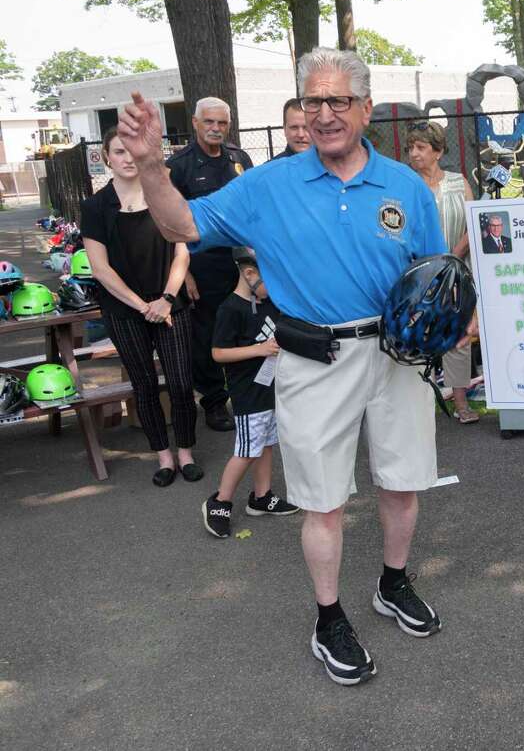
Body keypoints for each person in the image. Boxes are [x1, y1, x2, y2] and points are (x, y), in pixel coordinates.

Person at [119, 47, 461, 687]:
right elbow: (182, 223)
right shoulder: (267, 186)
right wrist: (150, 167)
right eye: (313, 101)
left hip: (394, 358)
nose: (324, 114)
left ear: (364, 108)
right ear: (300, 111)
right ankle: (329, 617)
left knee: (402, 481)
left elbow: (433, 275)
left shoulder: (405, 187)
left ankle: (392, 583)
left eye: (338, 101)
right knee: (323, 502)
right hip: (313, 357)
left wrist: (447, 328)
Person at [81, 128, 200, 488]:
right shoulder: (96, 207)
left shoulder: (165, 197)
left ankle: (186, 452)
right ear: (107, 157)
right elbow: (100, 269)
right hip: (124, 311)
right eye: (119, 151)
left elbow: (182, 251)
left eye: (132, 150)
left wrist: (164, 300)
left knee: (180, 383)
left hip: (170, 303)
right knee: (144, 385)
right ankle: (163, 456)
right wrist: (141, 306)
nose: (128, 157)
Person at [166, 96, 254, 433]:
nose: (216, 128)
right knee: (208, 333)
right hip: (202, 264)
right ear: (195, 122)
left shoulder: (239, 159)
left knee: (245, 325)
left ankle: (247, 393)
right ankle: (214, 402)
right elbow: (168, 224)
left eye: (222, 122)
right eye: (209, 122)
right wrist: (184, 271)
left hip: (241, 259)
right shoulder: (179, 166)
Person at [203, 247, 299, 538]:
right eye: (273, 280)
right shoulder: (230, 309)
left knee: (266, 443)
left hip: (269, 389)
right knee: (247, 450)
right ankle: (220, 502)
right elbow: (218, 353)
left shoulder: (269, 303)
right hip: (247, 393)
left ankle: (262, 496)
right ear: (249, 274)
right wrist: (258, 349)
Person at [404, 120, 478, 423]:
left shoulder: (459, 182)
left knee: (457, 335)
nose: (414, 154)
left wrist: (454, 256)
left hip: (457, 270)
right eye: (410, 148)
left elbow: (472, 224)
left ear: (438, 151)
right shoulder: (406, 184)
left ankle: (461, 404)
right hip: (419, 272)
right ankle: (415, 405)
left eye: (421, 147)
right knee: (416, 334)